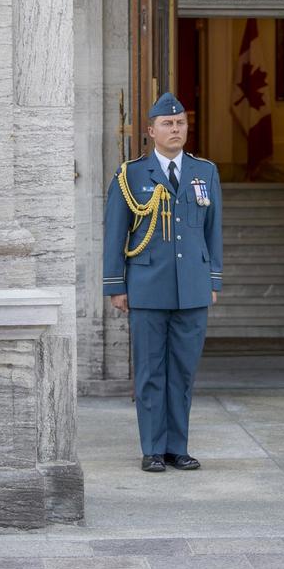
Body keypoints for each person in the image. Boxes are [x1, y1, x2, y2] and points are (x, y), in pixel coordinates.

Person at [102, 92, 223, 473]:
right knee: (151, 372)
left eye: (181, 123)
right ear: (151, 131)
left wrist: (213, 279)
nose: (175, 129)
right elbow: (115, 233)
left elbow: (213, 230)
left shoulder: (205, 172)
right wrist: (115, 285)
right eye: (167, 124)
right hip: (148, 286)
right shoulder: (131, 175)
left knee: (183, 372)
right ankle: (153, 448)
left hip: (192, 288)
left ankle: (177, 448)